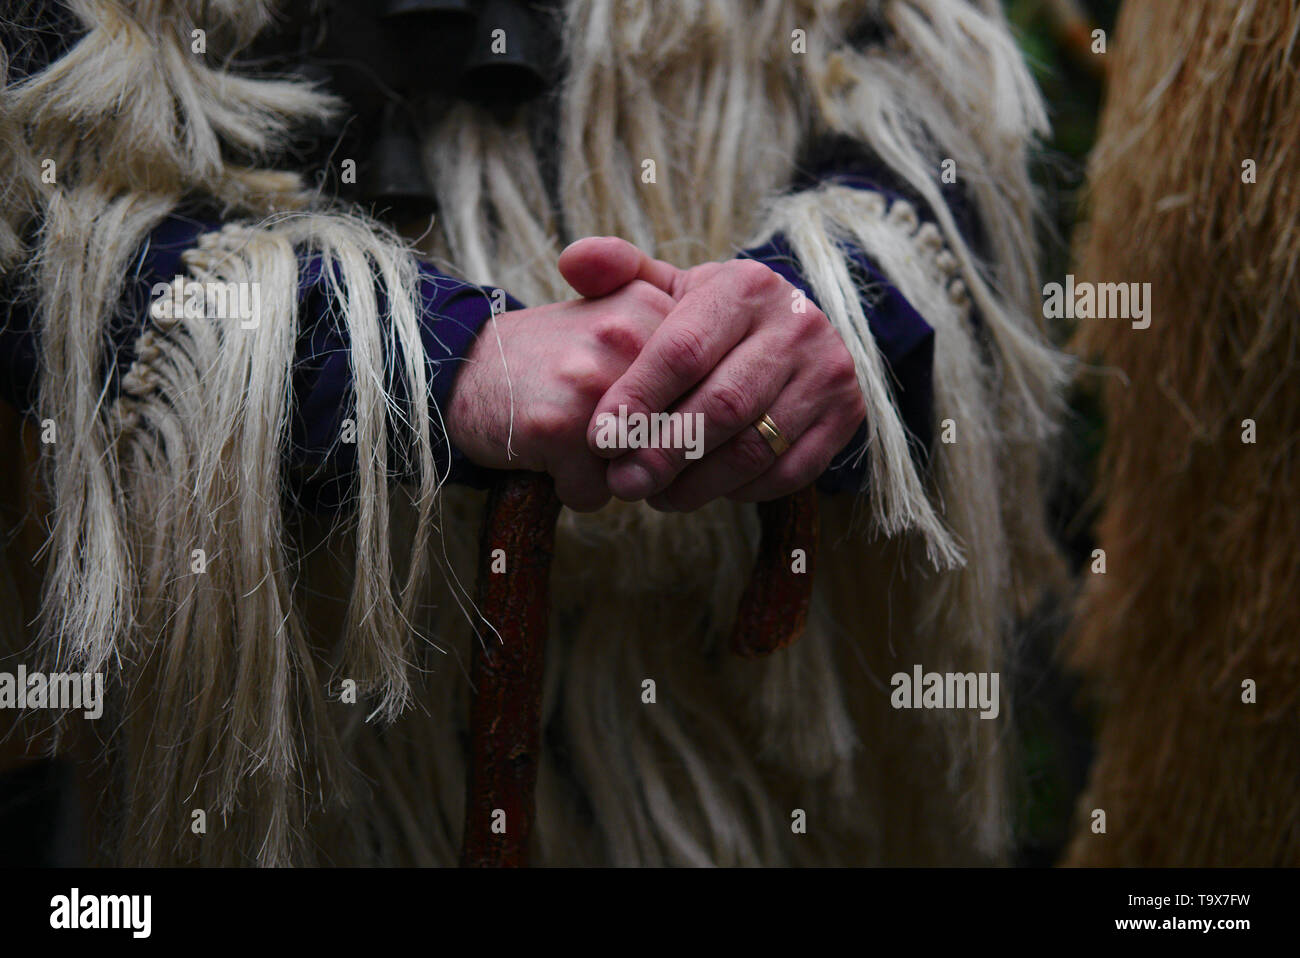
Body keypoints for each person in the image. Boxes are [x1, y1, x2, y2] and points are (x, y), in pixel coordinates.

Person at [0, 0, 1064, 865]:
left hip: (741, 758)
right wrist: (420, 357)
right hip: (321, 776)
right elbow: (34, 216)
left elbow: (932, 109)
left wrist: (820, 310)